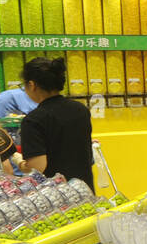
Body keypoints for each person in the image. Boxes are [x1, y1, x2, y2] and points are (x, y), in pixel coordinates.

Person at [17, 58, 93, 187]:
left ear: (32, 85)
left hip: (56, 195)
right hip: (84, 188)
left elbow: (37, 168)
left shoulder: (33, 120)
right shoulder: (80, 109)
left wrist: (20, 163)